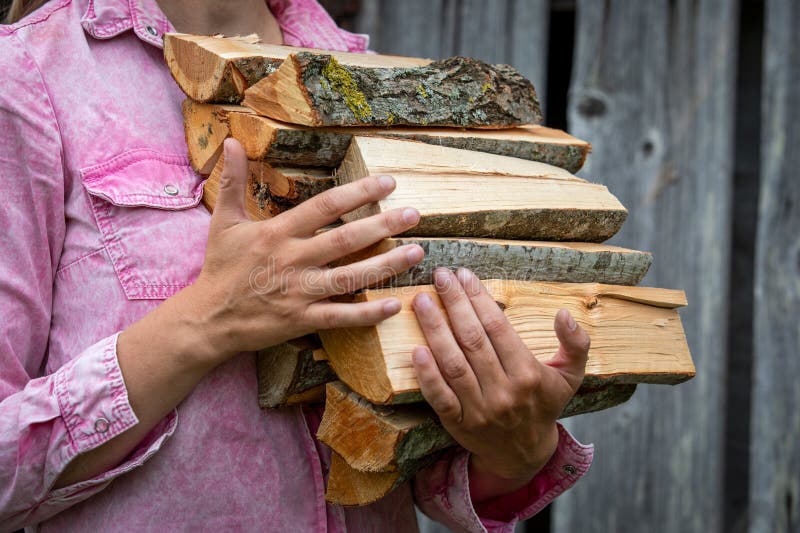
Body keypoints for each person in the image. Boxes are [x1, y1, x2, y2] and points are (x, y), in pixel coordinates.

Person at [0, 0, 594, 531]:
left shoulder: (371, 78)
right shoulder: (29, 78)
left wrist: (512, 450)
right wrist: (206, 322)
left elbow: (407, 458)